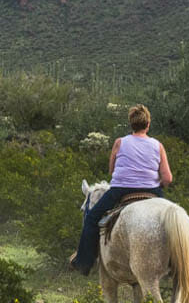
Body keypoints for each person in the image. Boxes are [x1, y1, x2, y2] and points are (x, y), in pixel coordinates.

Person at [70, 104, 173, 275]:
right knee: (172, 221)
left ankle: (84, 263)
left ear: (131, 124)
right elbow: (168, 178)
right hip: (152, 191)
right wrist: (155, 184)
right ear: (148, 124)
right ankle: (174, 264)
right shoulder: (158, 145)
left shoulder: (120, 142)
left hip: (121, 189)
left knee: (91, 218)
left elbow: (112, 171)